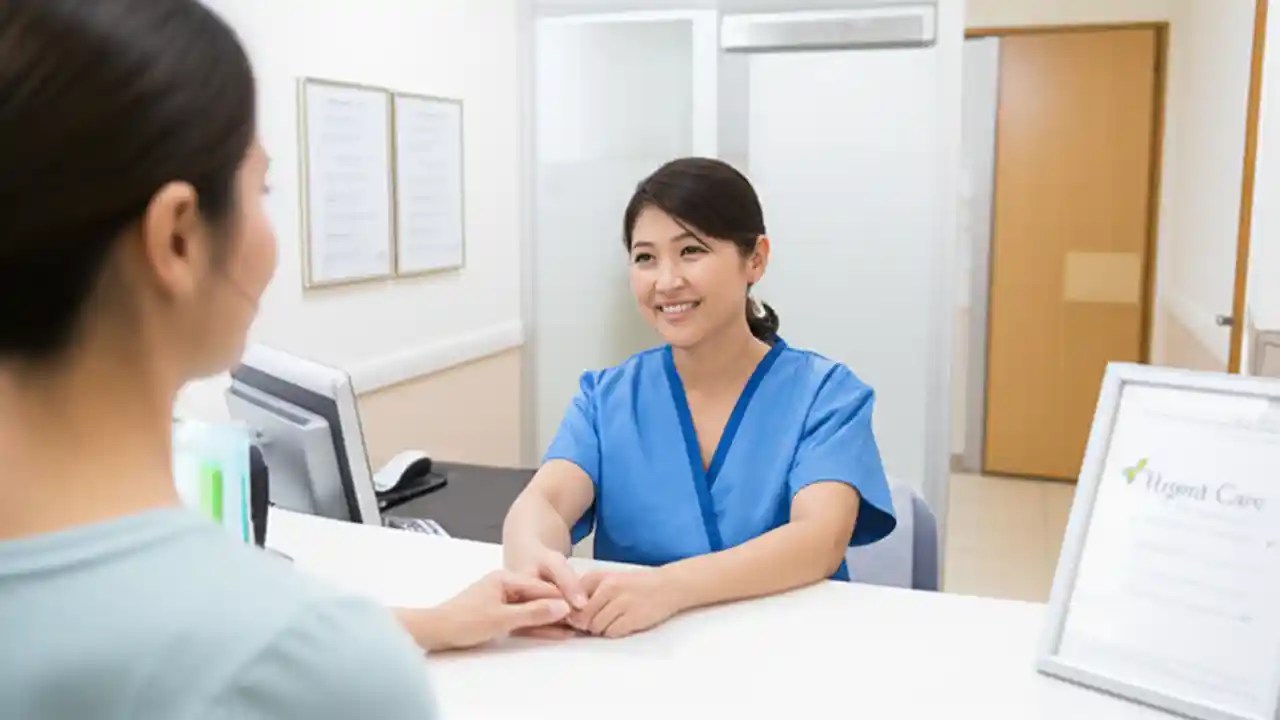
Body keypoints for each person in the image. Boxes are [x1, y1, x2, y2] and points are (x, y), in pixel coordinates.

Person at [0, 2, 569, 718]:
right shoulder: (310, 669)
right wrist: (343, 648)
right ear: (178, 237)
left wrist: (424, 625)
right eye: (261, 191)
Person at [503, 157, 898, 639]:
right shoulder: (607, 399)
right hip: (641, 655)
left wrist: (669, 589)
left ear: (755, 259)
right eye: (645, 258)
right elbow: (545, 501)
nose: (666, 281)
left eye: (691, 251)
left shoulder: (826, 397)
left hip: (791, 648)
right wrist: (531, 557)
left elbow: (819, 539)